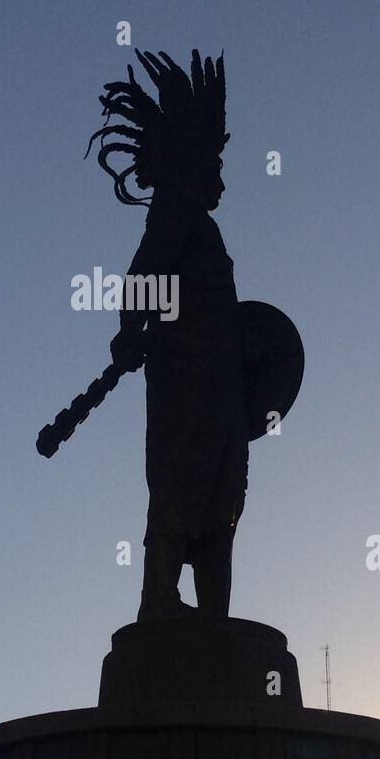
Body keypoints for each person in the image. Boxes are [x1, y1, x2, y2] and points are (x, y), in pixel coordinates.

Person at [85, 49, 249, 621]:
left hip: (221, 386)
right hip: (189, 385)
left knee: (220, 502)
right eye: (215, 164)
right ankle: (160, 605)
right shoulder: (177, 209)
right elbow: (144, 277)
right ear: (191, 162)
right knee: (184, 491)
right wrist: (131, 331)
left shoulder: (198, 222)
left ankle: (211, 621)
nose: (222, 179)